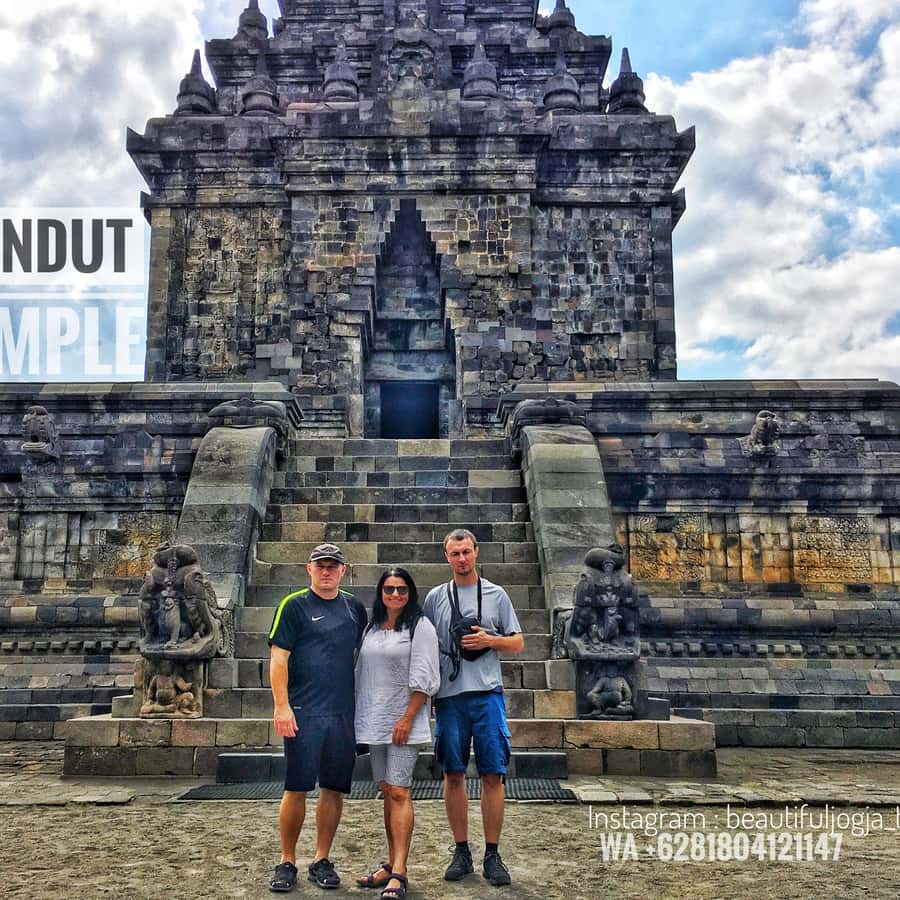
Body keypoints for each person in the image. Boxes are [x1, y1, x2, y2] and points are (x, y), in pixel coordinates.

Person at [423, 528, 525, 888]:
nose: (461, 559)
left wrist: (489, 640)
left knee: (493, 774)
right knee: (453, 773)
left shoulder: (497, 595)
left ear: (476, 552)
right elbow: (425, 646)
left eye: (466, 552)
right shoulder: (436, 597)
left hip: (486, 693)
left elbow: (517, 642)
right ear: (447, 557)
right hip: (450, 696)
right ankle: (462, 849)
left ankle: (493, 853)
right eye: (455, 553)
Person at [267, 543, 368, 893]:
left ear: (343, 570)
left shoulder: (354, 608)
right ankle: (287, 860)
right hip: (304, 713)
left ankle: (321, 859)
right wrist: (282, 706)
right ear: (308, 569)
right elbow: (278, 658)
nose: (326, 571)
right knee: (296, 787)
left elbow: (360, 657)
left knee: (333, 789)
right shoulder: (293, 605)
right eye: (320, 566)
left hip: (342, 713)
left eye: (333, 566)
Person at [354, 567, 440, 900]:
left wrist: (407, 718)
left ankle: (400, 871)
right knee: (387, 791)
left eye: (402, 590)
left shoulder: (420, 626)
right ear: (380, 593)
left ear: (411, 593)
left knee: (401, 792)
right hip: (376, 722)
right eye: (389, 589)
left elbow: (425, 675)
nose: (395, 595)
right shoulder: (372, 628)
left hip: (405, 721)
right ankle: (389, 863)